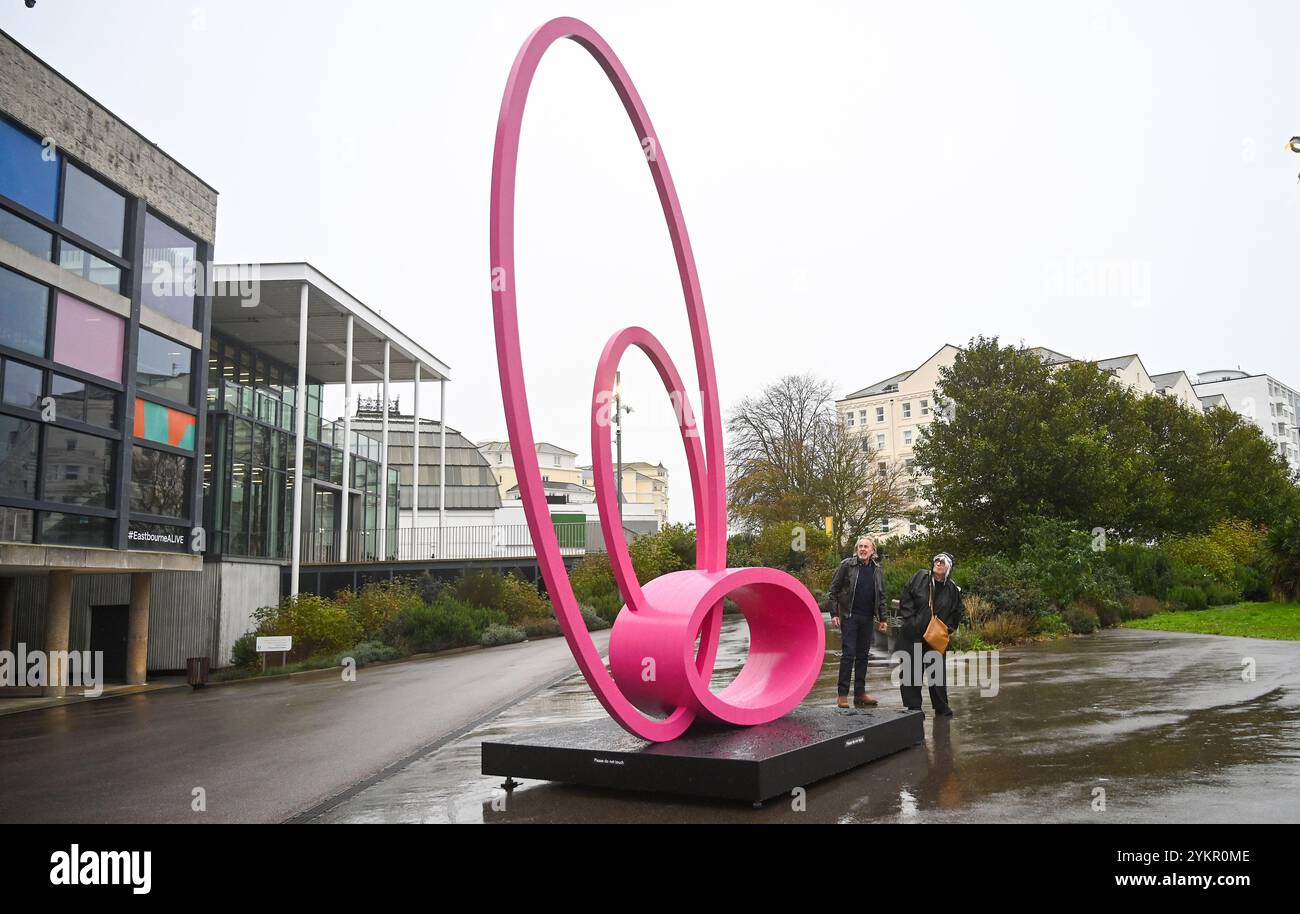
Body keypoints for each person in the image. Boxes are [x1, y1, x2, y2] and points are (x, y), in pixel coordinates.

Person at [895, 552, 966, 717]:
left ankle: (941, 707)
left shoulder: (952, 589)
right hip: (912, 634)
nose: (938, 563)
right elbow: (905, 598)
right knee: (911, 671)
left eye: (942, 562)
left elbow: (957, 612)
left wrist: (946, 629)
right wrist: (911, 622)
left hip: (935, 637)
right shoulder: (920, 577)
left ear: (949, 568)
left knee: (937, 673)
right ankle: (914, 708)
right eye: (936, 561)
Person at [827, 535, 889, 709]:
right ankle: (842, 694)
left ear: (872, 550)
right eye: (860, 546)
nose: (862, 549)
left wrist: (883, 618)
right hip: (849, 617)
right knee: (848, 655)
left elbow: (881, 595)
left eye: (866, 547)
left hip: (867, 618)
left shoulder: (877, 569)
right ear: (856, 549)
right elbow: (833, 591)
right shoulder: (847, 565)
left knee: (863, 656)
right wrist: (834, 613)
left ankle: (860, 694)